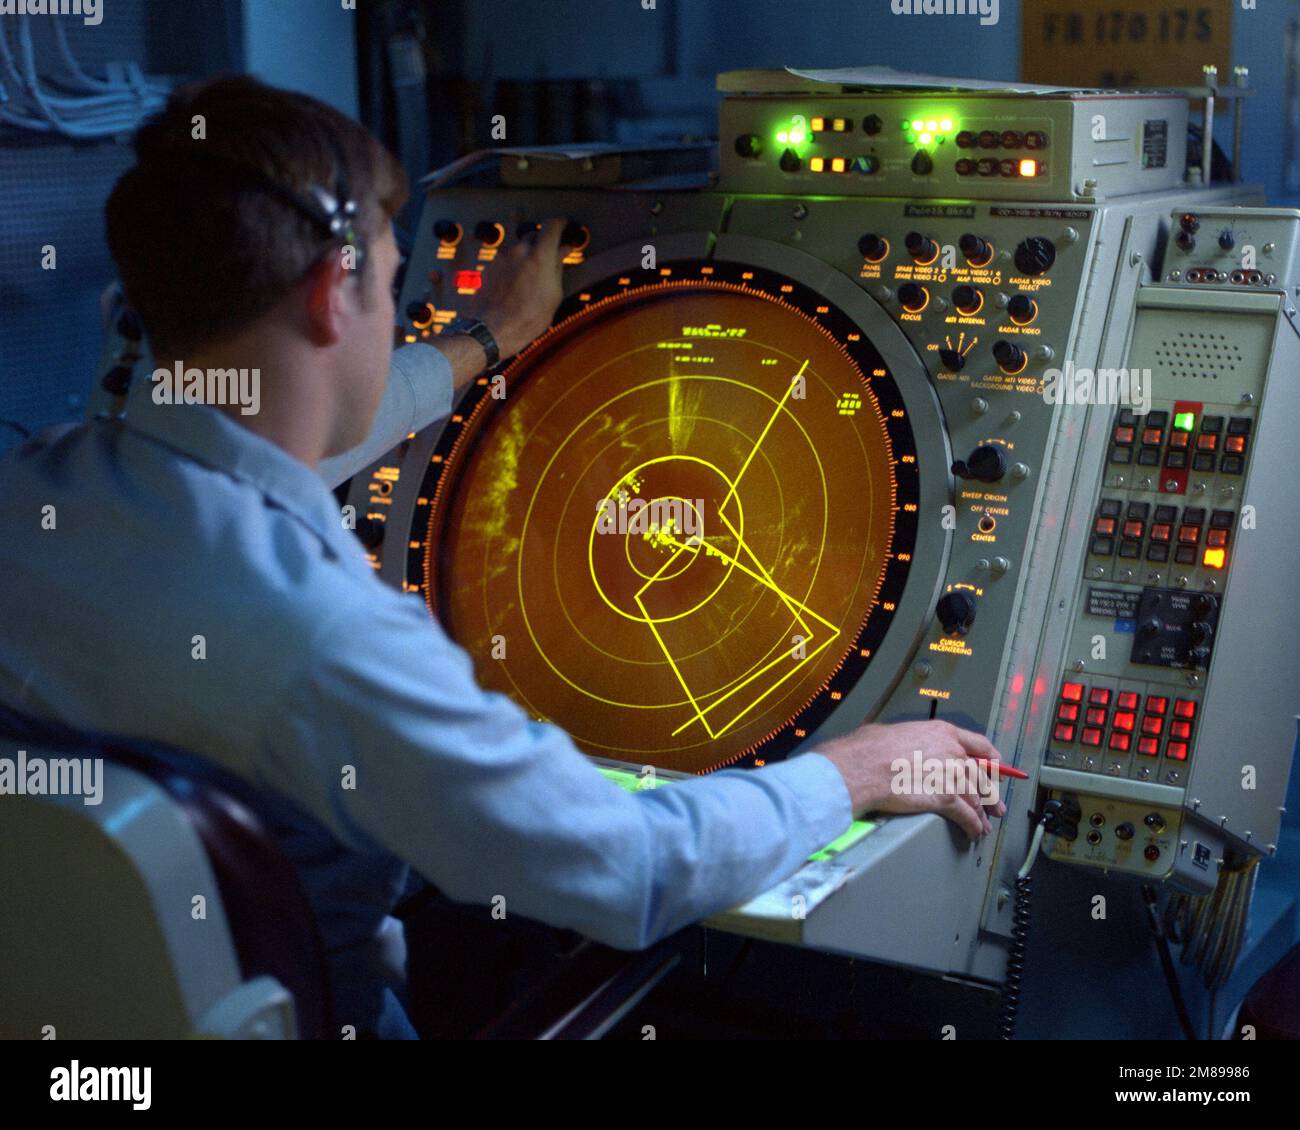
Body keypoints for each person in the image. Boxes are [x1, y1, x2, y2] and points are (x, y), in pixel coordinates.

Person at [0, 76, 1005, 1039]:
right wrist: (854, 766)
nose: (397, 309)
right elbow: (632, 869)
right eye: (396, 283)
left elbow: (262, 439)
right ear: (326, 296)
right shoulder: (330, 639)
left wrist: (491, 337)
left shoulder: (33, 497)